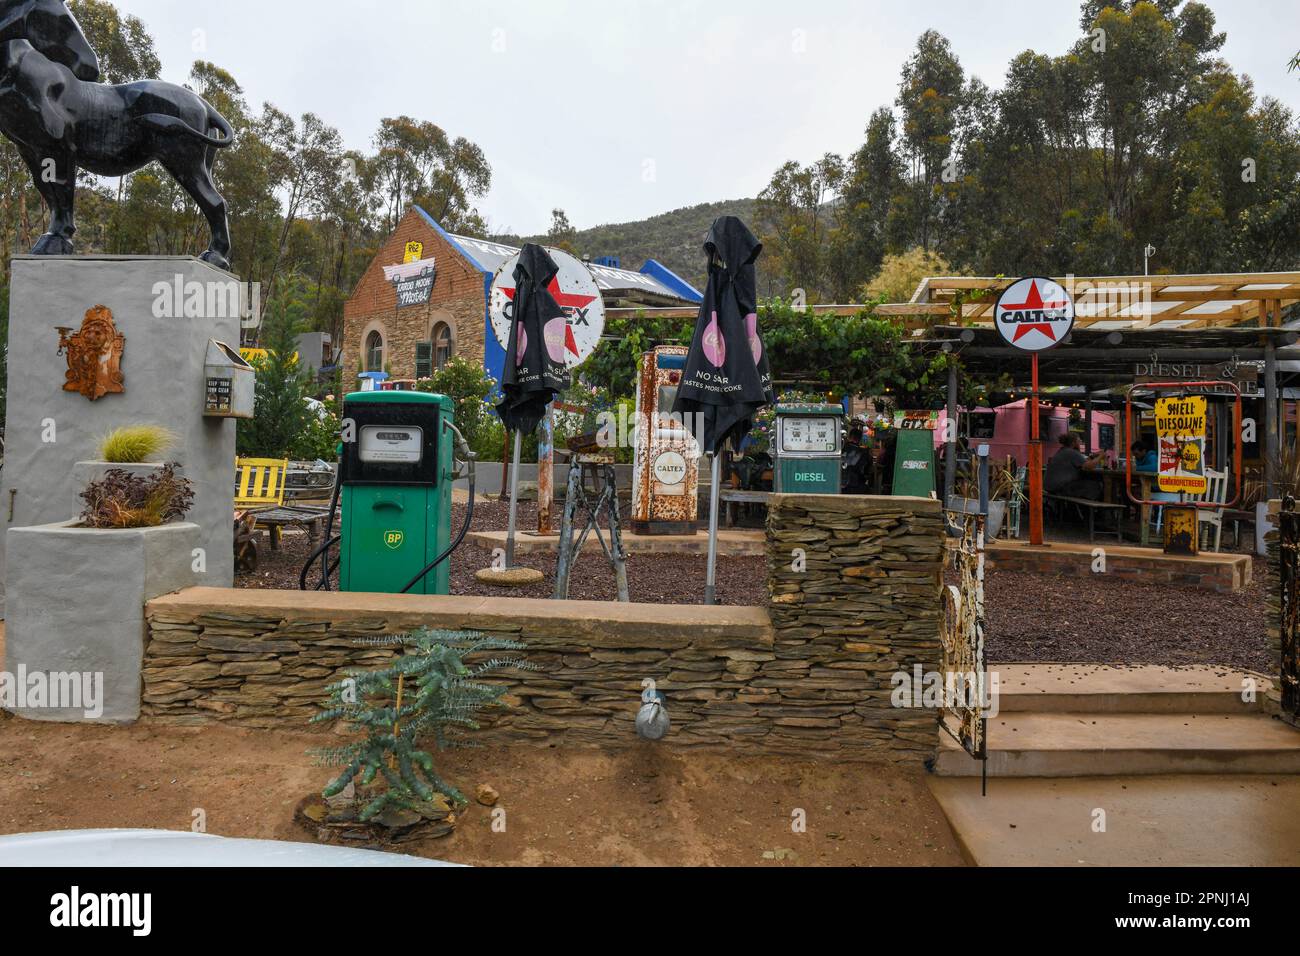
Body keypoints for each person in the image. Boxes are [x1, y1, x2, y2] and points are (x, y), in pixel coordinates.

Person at [1045, 433, 1105, 500]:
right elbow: (1089, 467)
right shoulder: (1072, 452)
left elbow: (1082, 461)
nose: (1080, 443)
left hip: (1052, 488)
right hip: (1061, 488)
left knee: (1087, 482)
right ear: (1074, 443)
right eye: (1079, 441)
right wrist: (1100, 456)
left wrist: (1092, 456)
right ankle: (1100, 509)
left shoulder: (1063, 451)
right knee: (1095, 485)